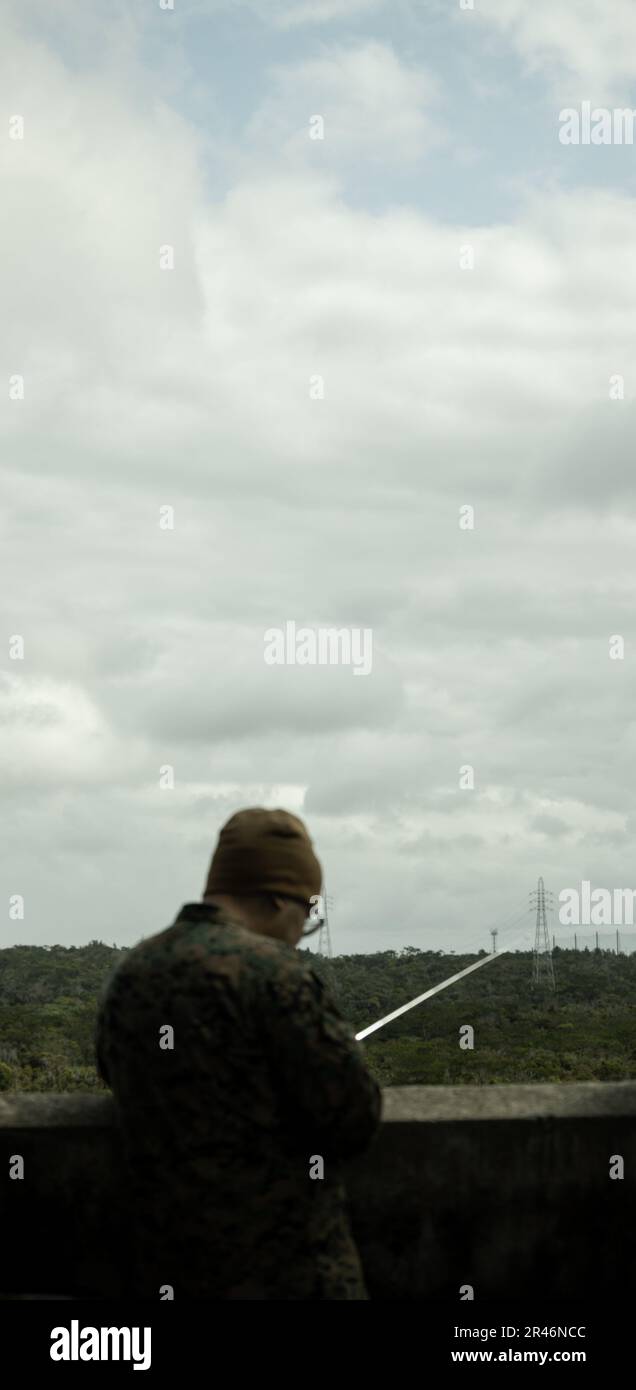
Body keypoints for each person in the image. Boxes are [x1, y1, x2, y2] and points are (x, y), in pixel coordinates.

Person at [95, 807, 382, 1299]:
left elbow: (112, 1075)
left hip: (159, 1270)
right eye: (306, 915)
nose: (301, 932)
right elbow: (352, 1115)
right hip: (287, 1275)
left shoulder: (132, 972)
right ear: (277, 899)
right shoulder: (277, 974)